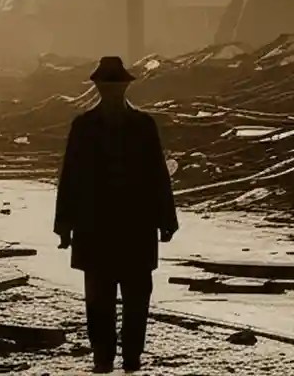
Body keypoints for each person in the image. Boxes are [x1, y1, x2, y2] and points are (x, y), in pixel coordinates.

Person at [54, 56, 178, 373]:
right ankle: (102, 357)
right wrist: (64, 226)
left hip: (135, 226)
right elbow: (69, 177)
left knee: (137, 298)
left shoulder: (144, 126)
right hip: (96, 228)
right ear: (98, 88)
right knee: (99, 300)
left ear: (124, 88)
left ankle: (132, 356)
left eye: (115, 87)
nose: (111, 93)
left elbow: (157, 175)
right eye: (107, 87)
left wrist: (166, 219)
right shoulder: (82, 127)